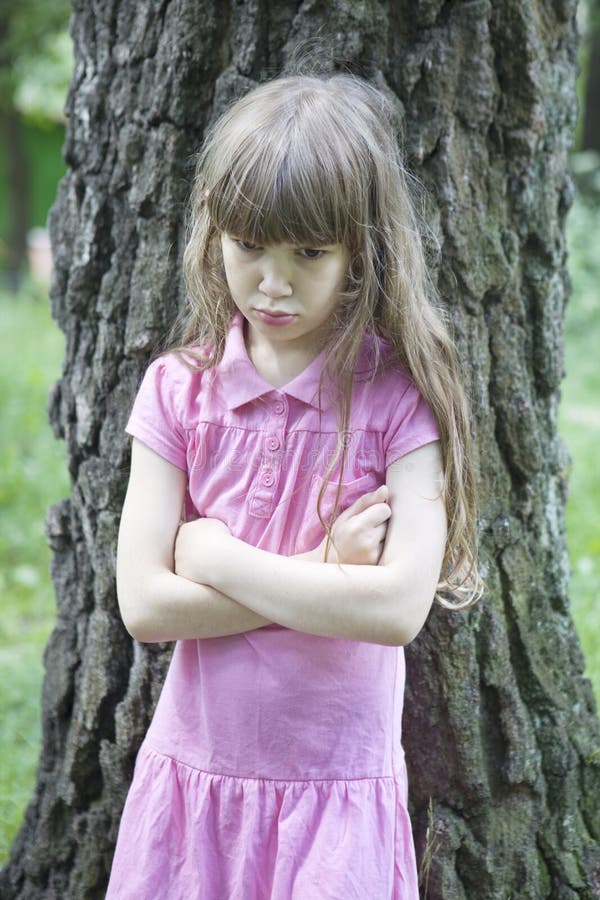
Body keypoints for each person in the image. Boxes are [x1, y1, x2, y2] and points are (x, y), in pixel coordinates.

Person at [106, 72, 482, 899]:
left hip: (333, 800)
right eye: (250, 248)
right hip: (195, 786)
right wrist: (322, 564)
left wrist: (215, 557)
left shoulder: (398, 401)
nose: (273, 285)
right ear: (216, 236)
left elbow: (394, 609)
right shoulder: (178, 391)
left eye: (309, 254)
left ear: (363, 250)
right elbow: (144, 606)